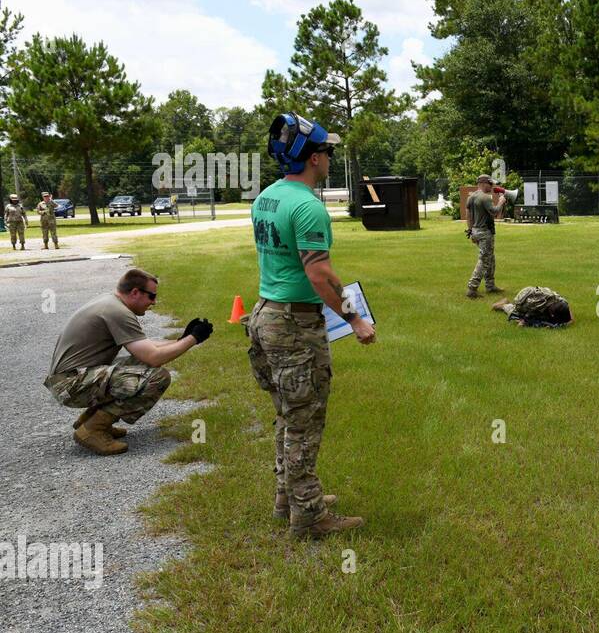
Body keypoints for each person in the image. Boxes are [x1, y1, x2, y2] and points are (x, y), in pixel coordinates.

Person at [248, 112, 376, 539]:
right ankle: (308, 517)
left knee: (288, 413)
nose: (328, 158)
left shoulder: (267, 197)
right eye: (326, 151)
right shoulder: (307, 208)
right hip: (294, 324)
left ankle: (289, 496)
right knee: (304, 418)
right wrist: (355, 318)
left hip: (266, 313)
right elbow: (319, 275)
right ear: (313, 158)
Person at [45, 268, 211, 454]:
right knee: (157, 377)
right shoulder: (117, 312)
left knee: (140, 366)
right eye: (151, 296)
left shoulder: (111, 303)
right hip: (70, 385)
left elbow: (147, 348)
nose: (154, 302)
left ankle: (93, 418)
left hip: (72, 377)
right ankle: (93, 429)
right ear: (135, 293)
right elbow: (154, 358)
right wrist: (193, 339)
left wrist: (181, 340)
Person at [465, 174, 506, 299]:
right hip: (485, 233)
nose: (492, 186)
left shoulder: (472, 196)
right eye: (490, 184)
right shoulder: (485, 198)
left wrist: (471, 231)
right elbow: (494, 212)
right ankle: (472, 288)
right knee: (484, 260)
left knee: (490, 258)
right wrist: (501, 202)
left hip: (476, 231)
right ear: (483, 183)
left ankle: (490, 285)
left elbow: (468, 214)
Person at [491, 287, 573, 327]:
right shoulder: (536, 306)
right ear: (552, 314)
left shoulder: (559, 301)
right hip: (522, 299)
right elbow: (522, 323)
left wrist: (569, 321)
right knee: (515, 313)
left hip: (536, 294)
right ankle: (503, 304)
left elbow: (568, 311)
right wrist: (523, 322)